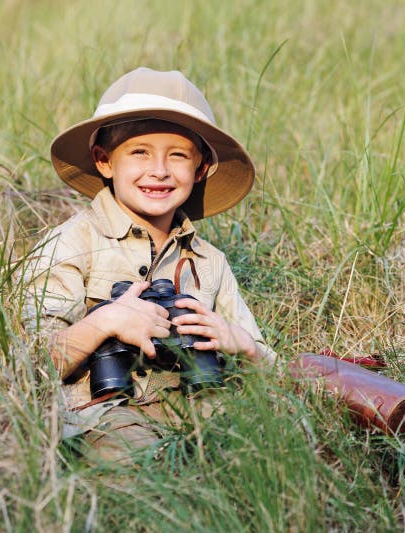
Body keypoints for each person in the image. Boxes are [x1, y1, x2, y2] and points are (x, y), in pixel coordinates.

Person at [22, 67, 275, 462]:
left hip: (200, 412)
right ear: (104, 161)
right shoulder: (72, 243)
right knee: (134, 463)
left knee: (268, 450)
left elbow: (273, 375)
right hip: (105, 414)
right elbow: (29, 365)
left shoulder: (209, 262)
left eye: (177, 156)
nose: (159, 170)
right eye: (139, 152)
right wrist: (106, 322)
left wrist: (239, 343)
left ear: (201, 169)